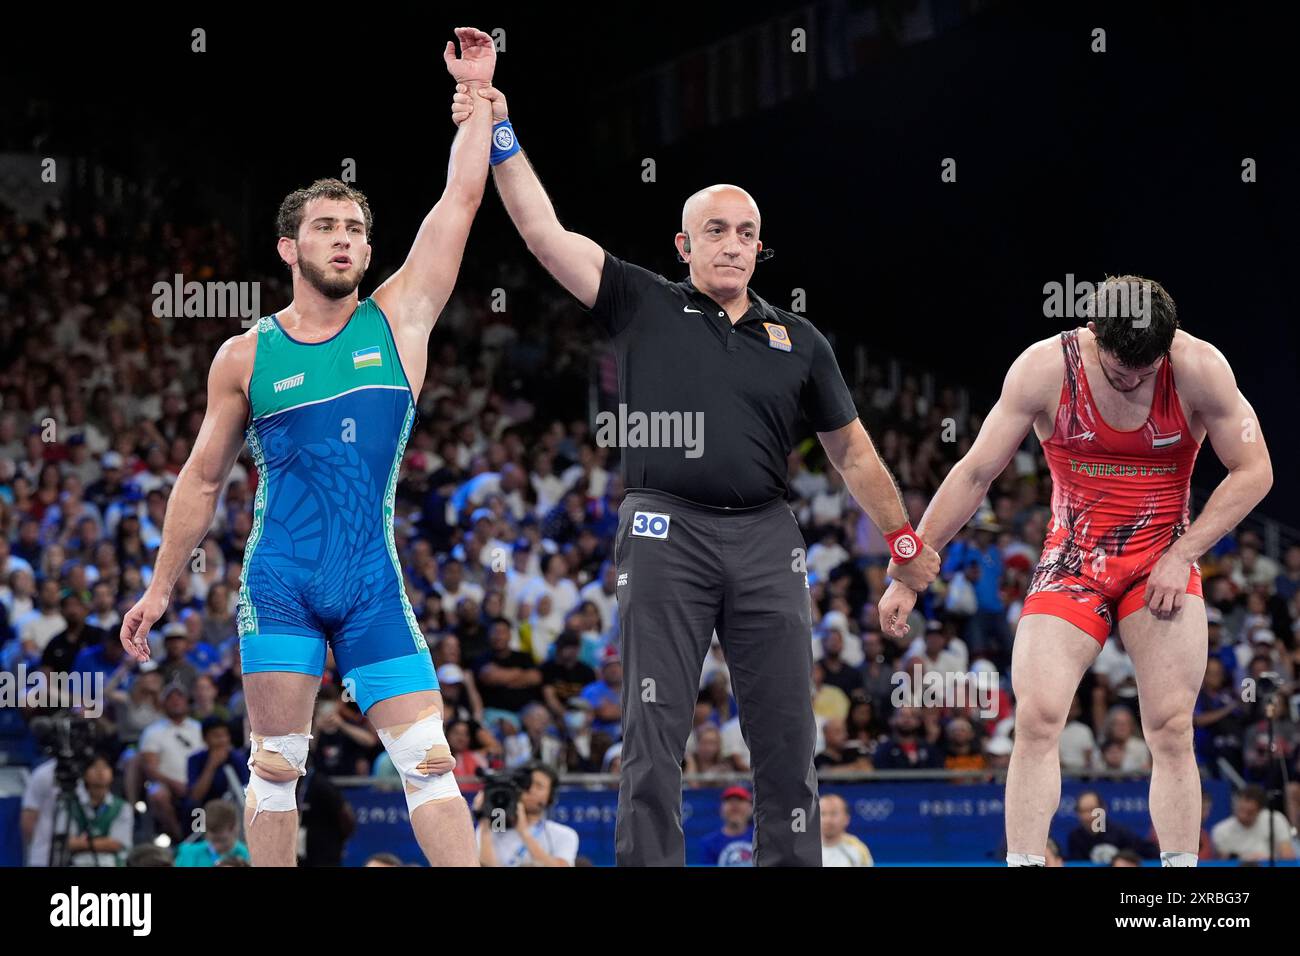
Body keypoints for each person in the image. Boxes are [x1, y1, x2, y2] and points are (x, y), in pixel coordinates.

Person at [449, 83, 940, 868]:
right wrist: (501, 130)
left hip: (766, 538)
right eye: (715, 230)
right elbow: (543, 236)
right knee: (655, 726)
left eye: (747, 233)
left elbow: (851, 451)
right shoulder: (642, 301)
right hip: (663, 528)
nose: (733, 244)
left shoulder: (800, 339)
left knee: (787, 731)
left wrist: (903, 537)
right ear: (683, 244)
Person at [117, 28, 499, 866]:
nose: (345, 240)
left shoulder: (400, 319)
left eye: (356, 229)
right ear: (291, 247)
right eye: (326, 227)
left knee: (431, 764)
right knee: (275, 767)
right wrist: (159, 586)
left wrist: (477, 101)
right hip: (280, 579)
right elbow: (203, 477)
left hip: (370, 582)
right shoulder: (245, 356)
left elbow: (460, 203)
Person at [880, 278, 1274, 867]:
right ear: (1093, 334)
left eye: (1147, 371)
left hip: (1161, 558)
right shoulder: (1045, 368)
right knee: (1037, 718)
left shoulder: (1199, 367)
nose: (1135, 381)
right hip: (1073, 561)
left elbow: (1255, 470)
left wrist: (1183, 555)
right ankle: (1024, 863)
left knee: (1169, 727)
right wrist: (909, 575)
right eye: (1121, 371)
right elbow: (974, 474)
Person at [474, 762, 578, 867]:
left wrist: (524, 833)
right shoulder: (494, 828)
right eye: (526, 784)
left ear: (550, 796)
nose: (531, 790)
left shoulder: (564, 834)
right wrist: (484, 819)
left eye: (539, 786)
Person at [1210, 785, 1296, 862]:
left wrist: (1266, 860)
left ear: (1260, 811)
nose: (1244, 816)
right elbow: (1222, 862)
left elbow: (1288, 856)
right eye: (1241, 810)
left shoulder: (1275, 820)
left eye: (1249, 812)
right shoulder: (1220, 830)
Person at [174, 799, 251, 867]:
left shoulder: (248, 857)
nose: (216, 847)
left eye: (221, 840)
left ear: (234, 828)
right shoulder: (188, 853)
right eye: (212, 841)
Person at [697, 786, 756, 867]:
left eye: (740, 800)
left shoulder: (761, 839)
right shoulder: (709, 843)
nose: (735, 804)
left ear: (751, 808)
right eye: (729, 801)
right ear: (721, 809)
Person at [820, 792, 874, 866]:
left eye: (833, 813)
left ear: (846, 819)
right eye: (822, 813)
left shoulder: (857, 850)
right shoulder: (804, 849)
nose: (828, 820)